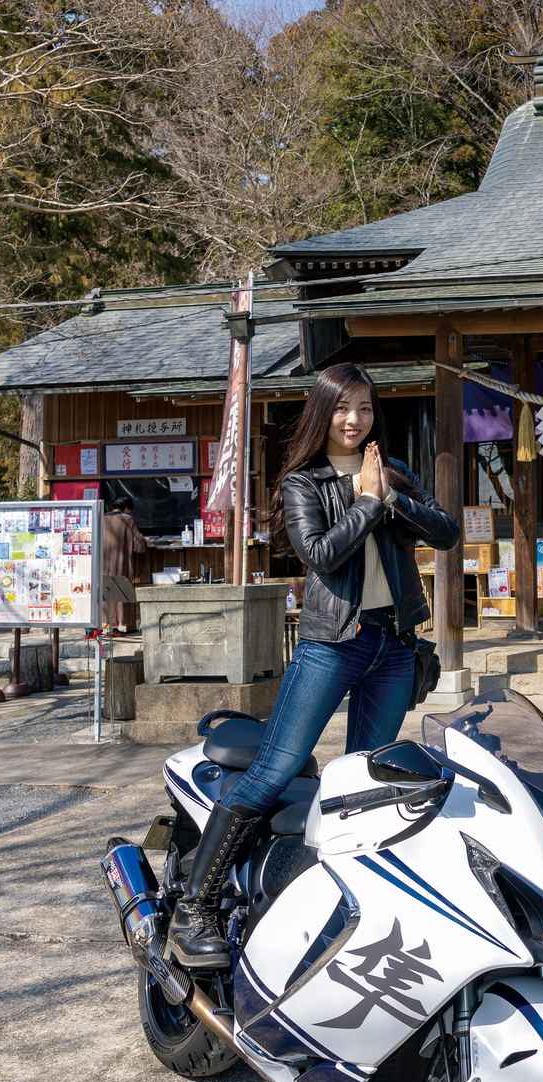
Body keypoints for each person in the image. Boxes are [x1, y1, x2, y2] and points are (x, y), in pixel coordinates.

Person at [169, 363, 461, 967]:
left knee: (363, 782)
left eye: (364, 408)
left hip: (394, 645)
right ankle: (195, 904)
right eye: (342, 408)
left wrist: (392, 497)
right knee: (275, 769)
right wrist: (367, 505)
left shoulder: (393, 471)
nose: (354, 420)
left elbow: (448, 532)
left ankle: (340, 906)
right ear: (322, 413)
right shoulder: (304, 482)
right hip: (333, 642)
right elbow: (319, 554)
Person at [102, 500, 146, 631]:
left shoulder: (101, 519)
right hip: (122, 563)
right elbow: (139, 546)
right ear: (126, 508)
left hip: (103, 564)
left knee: (107, 590)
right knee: (122, 589)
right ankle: (123, 625)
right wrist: (145, 541)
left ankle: (108, 625)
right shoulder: (127, 519)